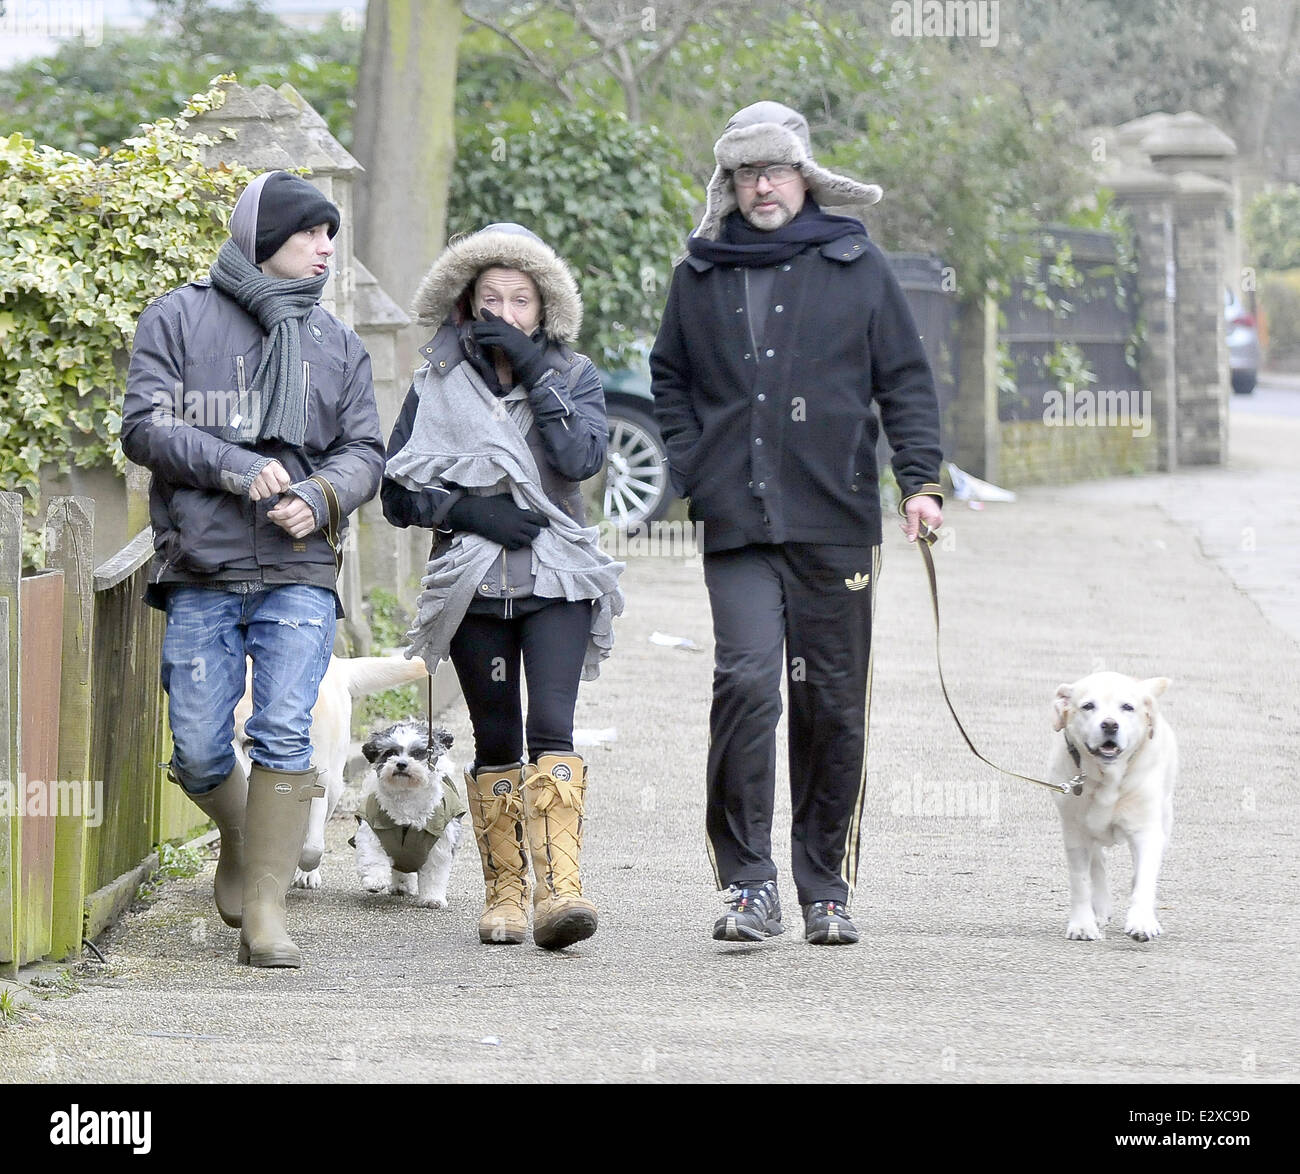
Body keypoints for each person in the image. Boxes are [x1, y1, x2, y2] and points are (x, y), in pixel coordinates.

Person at [650, 101, 944, 946]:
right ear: (729, 185)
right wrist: (690, 459)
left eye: (773, 170)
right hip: (736, 521)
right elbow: (670, 376)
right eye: (745, 174)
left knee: (830, 705)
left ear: (803, 175)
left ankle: (825, 888)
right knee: (745, 686)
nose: (761, 187)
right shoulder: (699, 273)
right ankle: (749, 885)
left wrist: (919, 481)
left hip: (835, 521)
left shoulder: (856, 265)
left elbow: (907, 382)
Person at [121, 170, 385, 968]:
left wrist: (324, 494)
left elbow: (366, 451)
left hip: (300, 568)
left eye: (331, 235)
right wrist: (234, 465)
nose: (326, 248)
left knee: (282, 730)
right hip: (201, 562)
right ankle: (242, 835)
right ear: (264, 237)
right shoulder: (177, 318)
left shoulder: (337, 344)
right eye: (312, 233)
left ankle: (267, 906)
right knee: (200, 747)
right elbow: (144, 428)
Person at [382, 223, 623, 950]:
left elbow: (580, 457)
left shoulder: (574, 374)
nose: (507, 314)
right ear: (467, 307)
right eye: (493, 299)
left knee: (553, 727)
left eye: (522, 301)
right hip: (473, 586)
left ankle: (561, 891)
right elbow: (397, 494)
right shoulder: (434, 387)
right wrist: (469, 510)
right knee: (496, 736)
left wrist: (537, 374)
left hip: (558, 579)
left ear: (543, 309)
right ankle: (506, 896)